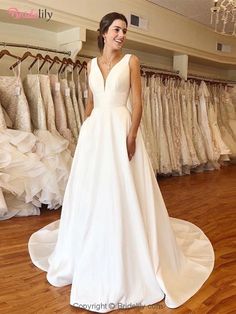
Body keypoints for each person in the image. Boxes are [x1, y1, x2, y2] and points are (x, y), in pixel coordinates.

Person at [28, 12, 215, 313]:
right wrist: (85, 131)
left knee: (123, 189)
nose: (121, 35)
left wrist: (131, 137)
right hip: (94, 134)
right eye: (116, 30)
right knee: (94, 190)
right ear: (103, 32)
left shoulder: (132, 61)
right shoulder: (89, 64)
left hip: (120, 129)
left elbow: (138, 103)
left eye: (124, 31)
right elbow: (90, 101)